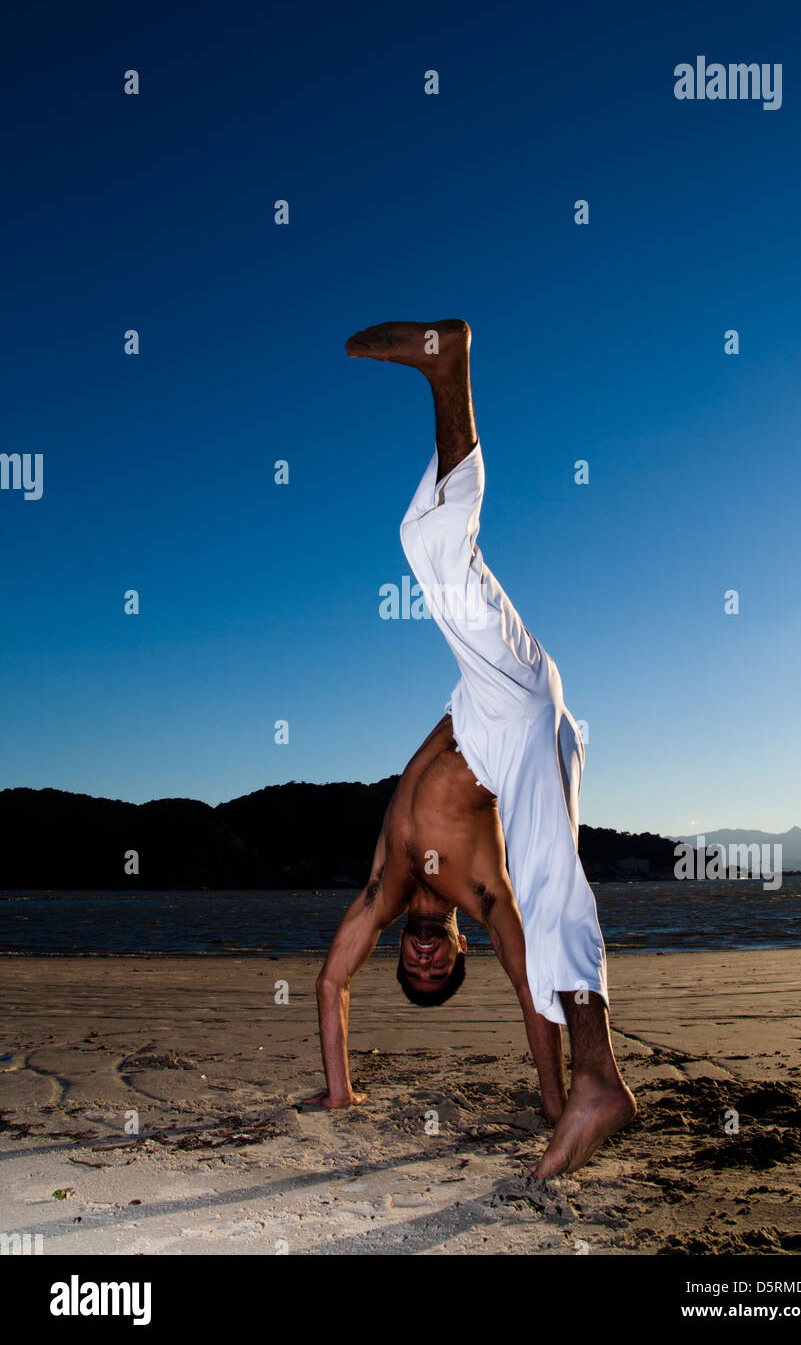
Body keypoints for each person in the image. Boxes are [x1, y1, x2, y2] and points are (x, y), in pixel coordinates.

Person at [305, 319, 635, 1175]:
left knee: (425, 541)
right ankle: (585, 1090)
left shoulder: (386, 884)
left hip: (492, 718)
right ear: (458, 950)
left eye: (408, 968)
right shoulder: (481, 894)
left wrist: (340, 1091)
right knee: (551, 884)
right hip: (512, 720)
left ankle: (446, 366)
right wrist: (548, 1096)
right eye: (433, 965)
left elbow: (331, 982)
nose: (416, 957)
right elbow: (529, 987)